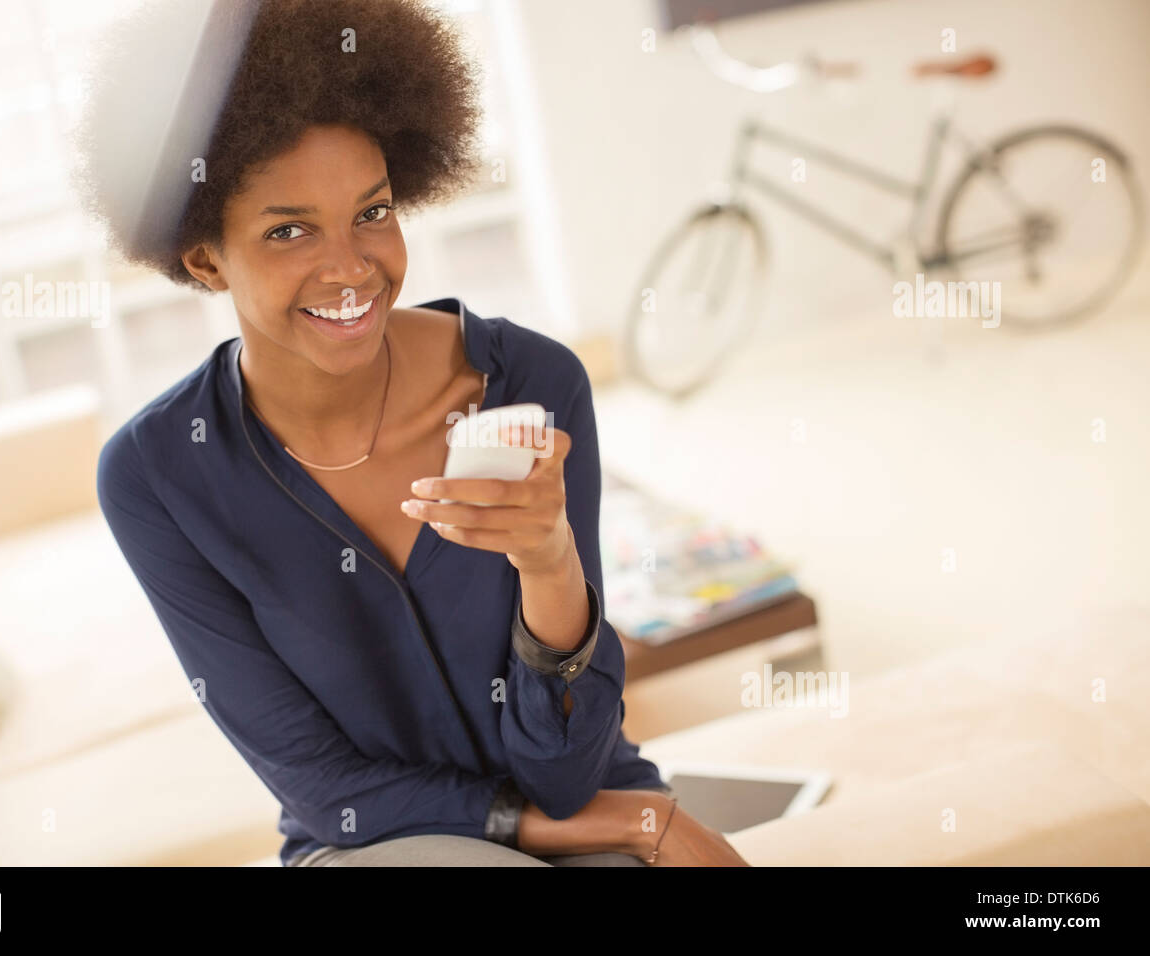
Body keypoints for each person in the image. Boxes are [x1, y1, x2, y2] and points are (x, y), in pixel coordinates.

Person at [77, 0, 749, 867]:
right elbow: (327, 789)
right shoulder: (158, 477)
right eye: (289, 231)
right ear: (206, 258)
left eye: (373, 212)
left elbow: (570, 772)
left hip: (585, 811)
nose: (352, 269)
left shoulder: (533, 386)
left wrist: (550, 566)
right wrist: (634, 824)